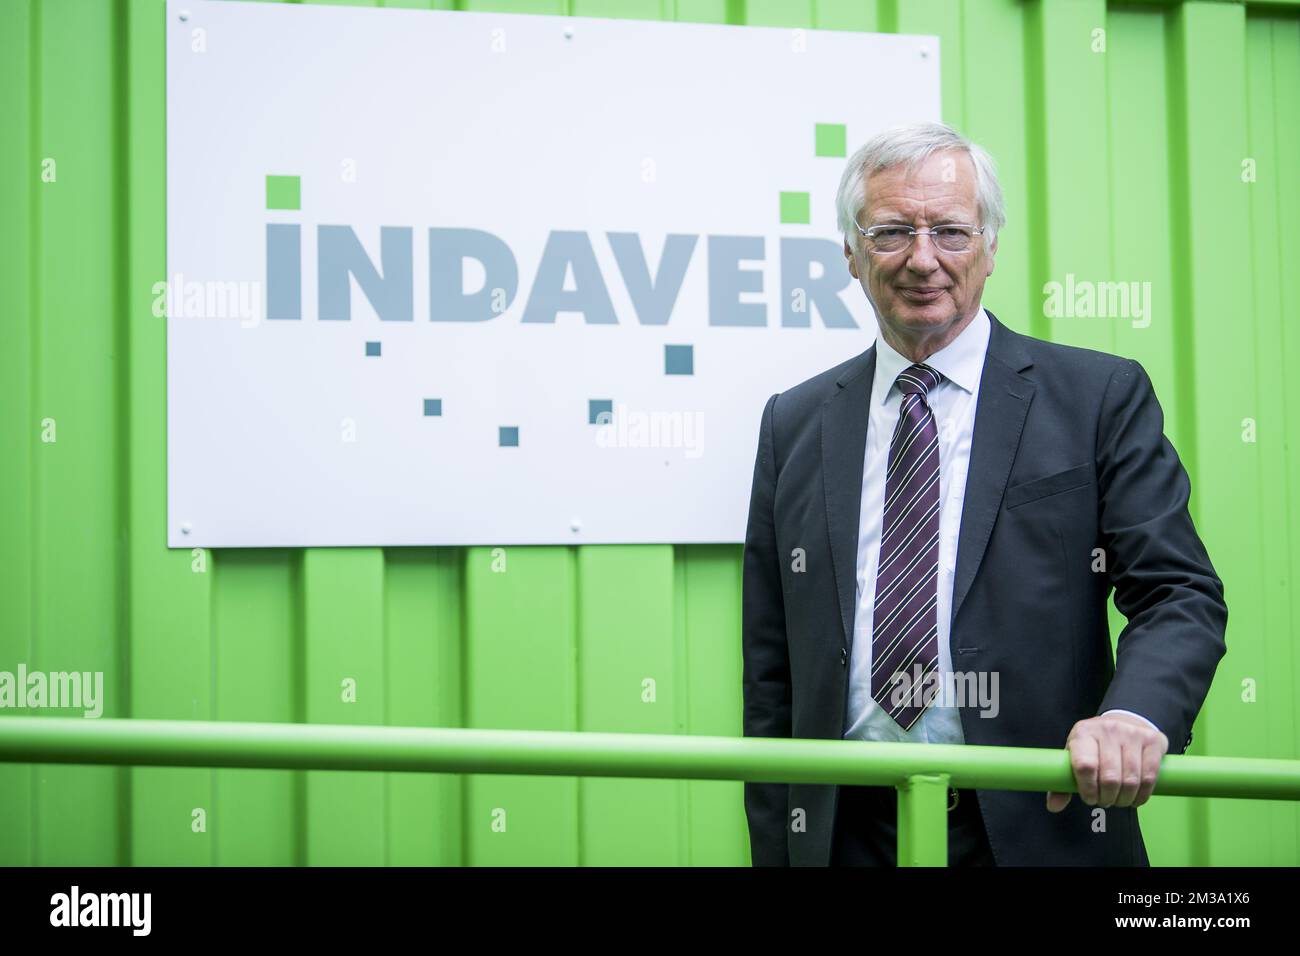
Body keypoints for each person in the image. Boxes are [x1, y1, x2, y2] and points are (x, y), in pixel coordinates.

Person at [741, 122, 1227, 866]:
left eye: (953, 232)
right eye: (892, 232)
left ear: (992, 246)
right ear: (849, 251)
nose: (923, 259)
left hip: (1039, 824)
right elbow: (770, 667)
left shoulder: (1098, 398)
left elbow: (1178, 593)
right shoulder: (794, 423)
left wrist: (1133, 714)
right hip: (847, 834)